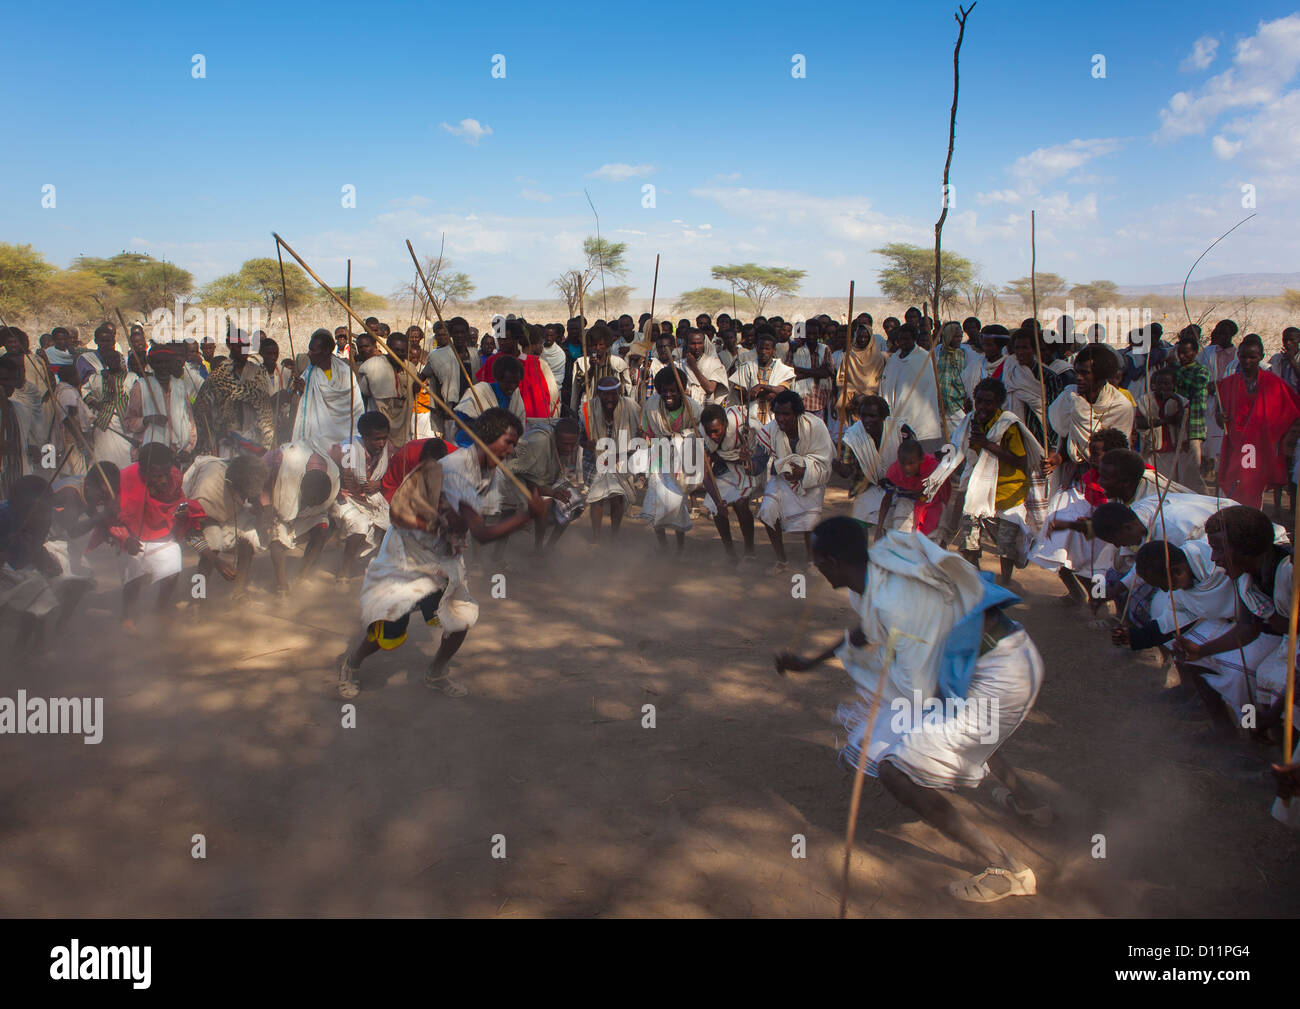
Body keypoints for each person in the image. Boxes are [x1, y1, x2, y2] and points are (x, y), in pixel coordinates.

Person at [775, 517, 1048, 903]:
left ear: (832, 562)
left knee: (896, 770)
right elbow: (866, 631)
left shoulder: (892, 601)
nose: (814, 565)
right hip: (1001, 655)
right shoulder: (877, 573)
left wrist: (875, 706)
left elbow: (916, 689)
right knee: (939, 718)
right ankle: (1031, 803)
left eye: (816, 559)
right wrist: (809, 662)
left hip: (1001, 677)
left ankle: (1009, 870)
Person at [337, 408, 545, 699]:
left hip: (443, 554)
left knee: (460, 619)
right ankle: (352, 663)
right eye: (507, 443)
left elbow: (477, 524)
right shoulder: (457, 469)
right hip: (408, 553)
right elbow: (482, 533)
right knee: (389, 631)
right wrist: (528, 516)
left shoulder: (489, 470)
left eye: (513, 444)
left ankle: (436, 673)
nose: (511, 451)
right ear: (486, 437)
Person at [1171, 506, 1287, 734]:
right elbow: (1247, 629)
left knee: (1257, 678)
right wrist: (1201, 651)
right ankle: (1232, 731)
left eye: (1219, 549)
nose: (1214, 558)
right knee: (1199, 663)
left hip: (1289, 648)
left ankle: (1266, 742)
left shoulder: (1288, 573)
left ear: (1246, 548)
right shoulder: (1247, 578)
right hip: (1281, 642)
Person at [927, 378, 1046, 585]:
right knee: (969, 541)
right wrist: (943, 457)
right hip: (976, 489)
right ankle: (977, 582)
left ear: (999, 403)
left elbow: (1020, 461)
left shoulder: (1007, 425)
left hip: (1007, 492)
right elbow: (957, 445)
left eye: (988, 403)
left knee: (1006, 547)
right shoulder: (969, 421)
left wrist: (987, 444)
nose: (982, 407)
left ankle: (1005, 583)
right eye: (979, 401)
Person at [96, 442, 191, 633]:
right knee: (134, 571)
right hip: (131, 537)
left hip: (161, 534)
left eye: (166, 473)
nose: (164, 480)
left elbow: (181, 503)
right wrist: (124, 539)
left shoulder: (174, 477)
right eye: (157, 476)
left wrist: (182, 515)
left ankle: (160, 609)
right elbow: (109, 518)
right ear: (144, 472)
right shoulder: (123, 480)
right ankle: (127, 616)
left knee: (173, 563)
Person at [1215, 333, 1300, 510]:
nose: (1247, 361)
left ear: (1261, 357)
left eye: (1252, 357)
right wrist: (1220, 417)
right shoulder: (1228, 383)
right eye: (1244, 356)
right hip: (1234, 444)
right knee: (1232, 486)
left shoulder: (1273, 383)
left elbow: (1292, 409)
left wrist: (1279, 435)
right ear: (1238, 356)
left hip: (1260, 446)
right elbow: (1219, 414)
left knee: (1253, 488)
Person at [757, 390, 833, 572]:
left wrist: (804, 471)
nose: (781, 418)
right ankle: (781, 561)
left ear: (797, 413)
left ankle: (811, 560)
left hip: (812, 477)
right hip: (783, 478)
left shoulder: (816, 426)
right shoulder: (770, 429)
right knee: (767, 511)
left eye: (786, 414)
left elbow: (825, 460)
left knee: (811, 520)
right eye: (777, 414)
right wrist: (747, 462)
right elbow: (757, 462)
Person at [181, 453, 269, 602]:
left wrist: (263, 515)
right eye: (244, 494)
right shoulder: (206, 493)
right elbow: (192, 533)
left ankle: (238, 593)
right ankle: (196, 598)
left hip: (228, 513)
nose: (246, 497)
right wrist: (217, 561)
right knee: (212, 546)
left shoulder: (246, 474)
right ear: (231, 485)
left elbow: (254, 500)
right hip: (202, 518)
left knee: (249, 542)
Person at [261, 442, 340, 594]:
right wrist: (266, 505)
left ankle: (302, 576)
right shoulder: (281, 461)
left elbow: (327, 501)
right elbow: (263, 478)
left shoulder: (331, 471)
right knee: (276, 539)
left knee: (322, 529)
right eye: (308, 501)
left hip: (310, 513)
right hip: (280, 504)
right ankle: (282, 587)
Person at [639, 366, 704, 552]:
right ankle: (663, 545)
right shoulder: (652, 405)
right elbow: (646, 431)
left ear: (681, 389)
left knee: (677, 504)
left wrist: (679, 438)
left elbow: (701, 435)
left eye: (673, 390)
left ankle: (680, 546)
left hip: (682, 461)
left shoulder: (694, 409)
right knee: (656, 503)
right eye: (664, 390)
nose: (668, 394)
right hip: (658, 458)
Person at [500, 417, 584, 555]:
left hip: (548, 476)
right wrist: (552, 493)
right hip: (519, 477)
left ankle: (550, 546)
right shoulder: (539, 444)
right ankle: (538, 548)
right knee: (543, 505)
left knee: (573, 503)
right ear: (554, 437)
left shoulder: (567, 437)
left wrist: (555, 491)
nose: (569, 449)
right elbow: (529, 480)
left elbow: (552, 474)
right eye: (565, 444)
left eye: (572, 444)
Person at [330, 411, 394, 580]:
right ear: (364, 437)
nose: (381, 443)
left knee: (393, 527)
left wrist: (379, 484)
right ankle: (344, 570)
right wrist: (341, 482)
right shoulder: (347, 449)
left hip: (372, 499)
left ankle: (372, 565)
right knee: (360, 526)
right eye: (376, 439)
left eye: (384, 438)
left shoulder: (388, 449)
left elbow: (392, 475)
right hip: (347, 497)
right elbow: (327, 471)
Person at [192, 330, 276, 454]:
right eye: (239, 346)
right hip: (227, 444)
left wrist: (267, 442)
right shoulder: (218, 377)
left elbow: (267, 409)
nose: (243, 350)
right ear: (229, 345)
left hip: (255, 443)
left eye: (246, 346)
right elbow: (201, 411)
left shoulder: (258, 373)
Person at [581, 376, 640, 544]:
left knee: (617, 496)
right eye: (605, 395)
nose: (610, 399)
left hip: (621, 456)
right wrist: (587, 443)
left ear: (619, 393)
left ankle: (614, 537)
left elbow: (636, 437)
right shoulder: (588, 409)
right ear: (598, 394)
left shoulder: (631, 407)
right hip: (594, 457)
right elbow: (580, 437)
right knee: (597, 498)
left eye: (613, 394)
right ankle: (596, 538)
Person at [699, 402, 758, 561]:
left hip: (746, 467)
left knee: (740, 504)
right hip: (723, 468)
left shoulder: (742, 424)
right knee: (717, 508)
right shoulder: (703, 436)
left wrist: (749, 457)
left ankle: (749, 551)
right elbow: (705, 473)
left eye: (716, 431)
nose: (712, 436)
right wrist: (718, 501)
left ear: (725, 424)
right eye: (708, 431)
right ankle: (729, 551)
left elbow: (759, 446)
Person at [291, 328, 363, 456]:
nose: (309, 353)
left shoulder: (345, 372)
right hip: (318, 436)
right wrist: (302, 391)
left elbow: (355, 407)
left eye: (313, 350)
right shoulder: (310, 372)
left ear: (325, 351)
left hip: (345, 434)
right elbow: (306, 401)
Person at [125, 346, 196, 461]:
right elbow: (128, 423)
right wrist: (147, 419)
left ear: (172, 362)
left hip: (179, 455)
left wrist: (187, 449)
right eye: (158, 362)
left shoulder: (180, 386)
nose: (163, 366)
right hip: (150, 456)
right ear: (152, 364)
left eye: (166, 362)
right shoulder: (141, 387)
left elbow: (189, 422)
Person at [1135, 365, 1200, 490]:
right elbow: (1141, 424)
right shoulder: (1145, 401)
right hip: (1152, 450)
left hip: (1173, 450)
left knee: (1173, 484)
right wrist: (1166, 420)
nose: (1163, 387)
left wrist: (1175, 399)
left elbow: (1182, 422)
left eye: (1167, 384)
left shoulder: (1182, 401)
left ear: (1174, 385)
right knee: (1152, 484)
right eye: (1160, 383)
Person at [880, 323, 943, 449]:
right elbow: (886, 383)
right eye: (900, 339)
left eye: (906, 339)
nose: (903, 342)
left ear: (914, 339)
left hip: (918, 413)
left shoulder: (924, 358)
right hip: (895, 410)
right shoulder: (894, 359)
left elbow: (927, 388)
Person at [1001, 329, 1063, 454]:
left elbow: (1055, 412)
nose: (1020, 352)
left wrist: (1053, 447)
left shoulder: (1048, 377)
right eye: (1017, 348)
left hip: (1041, 436)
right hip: (1016, 433)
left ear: (1034, 350)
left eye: (1025, 348)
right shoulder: (1010, 372)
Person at [875, 439, 949, 538]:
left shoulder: (934, 471)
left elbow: (940, 494)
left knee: (932, 538)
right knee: (901, 536)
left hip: (930, 503)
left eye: (911, 463)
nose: (907, 468)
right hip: (906, 501)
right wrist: (879, 528)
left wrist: (922, 498)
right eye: (903, 463)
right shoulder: (894, 473)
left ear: (921, 459)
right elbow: (887, 498)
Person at [357, 330, 414, 448]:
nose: (398, 354)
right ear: (387, 348)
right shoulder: (370, 367)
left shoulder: (411, 369)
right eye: (395, 350)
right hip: (379, 427)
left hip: (403, 426)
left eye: (402, 351)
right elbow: (363, 395)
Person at [732, 332, 794, 429]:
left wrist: (760, 387)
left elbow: (782, 392)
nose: (763, 352)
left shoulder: (782, 369)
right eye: (761, 348)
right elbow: (744, 396)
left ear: (774, 351)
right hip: (750, 420)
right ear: (756, 348)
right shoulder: (747, 367)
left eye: (767, 349)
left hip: (774, 420)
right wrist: (770, 393)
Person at [786, 318, 834, 420]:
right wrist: (817, 371)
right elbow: (789, 374)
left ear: (819, 334)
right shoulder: (795, 350)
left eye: (814, 333)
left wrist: (800, 370)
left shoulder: (824, 349)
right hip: (800, 399)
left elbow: (827, 372)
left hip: (820, 401)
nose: (811, 336)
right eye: (809, 333)